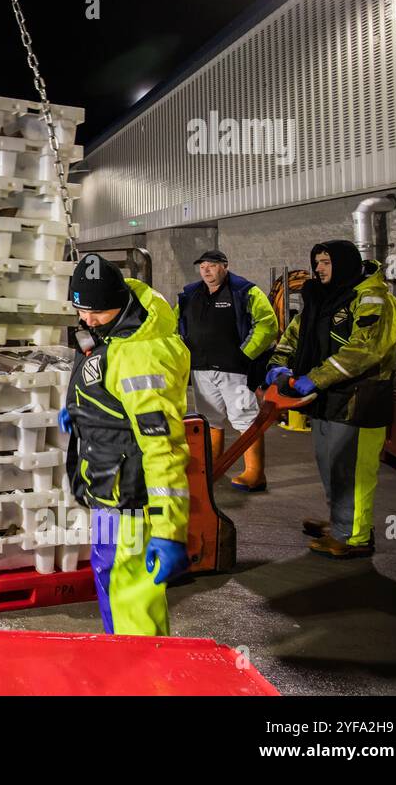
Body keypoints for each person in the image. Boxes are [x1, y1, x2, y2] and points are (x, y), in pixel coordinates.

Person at [58, 254, 192, 636]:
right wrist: (84, 412)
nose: (86, 320)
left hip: (129, 502)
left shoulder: (142, 355)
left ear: (117, 301)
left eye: (95, 311)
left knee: (131, 599)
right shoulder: (117, 329)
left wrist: (169, 531)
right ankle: (122, 662)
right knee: (109, 575)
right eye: (80, 309)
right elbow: (110, 389)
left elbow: (163, 450)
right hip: (107, 491)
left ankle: (144, 677)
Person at [266, 240, 396, 559]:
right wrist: (278, 367)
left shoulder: (373, 299)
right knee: (332, 467)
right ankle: (341, 524)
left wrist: (315, 378)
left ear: (343, 263)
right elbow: (294, 336)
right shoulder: (322, 297)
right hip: (326, 398)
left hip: (359, 399)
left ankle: (353, 538)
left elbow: (364, 350)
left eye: (326, 262)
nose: (319, 269)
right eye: (317, 262)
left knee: (352, 472)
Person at [174, 249, 279, 492]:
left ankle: (255, 473)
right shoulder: (190, 294)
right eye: (202, 266)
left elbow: (267, 323)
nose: (206, 270)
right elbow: (174, 325)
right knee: (210, 419)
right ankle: (214, 466)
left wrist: (245, 354)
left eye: (211, 265)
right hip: (200, 368)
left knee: (245, 418)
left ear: (225, 266)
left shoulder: (245, 292)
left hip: (235, 370)